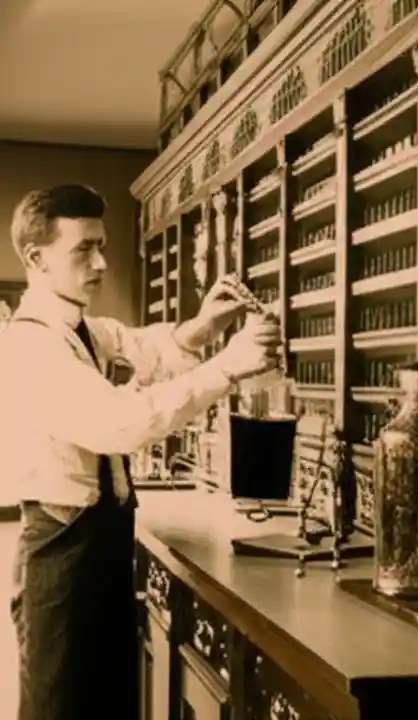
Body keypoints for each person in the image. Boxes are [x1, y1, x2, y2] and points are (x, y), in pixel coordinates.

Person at [0, 184, 282, 720]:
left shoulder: (81, 329)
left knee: (107, 703)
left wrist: (204, 327)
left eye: (102, 245)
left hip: (102, 542)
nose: (101, 263)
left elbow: (143, 347)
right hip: (61, 555)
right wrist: (226, 366)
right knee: (58, 707)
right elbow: (120, 425)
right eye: (83, 249)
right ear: (36, 258)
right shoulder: (32, 344)